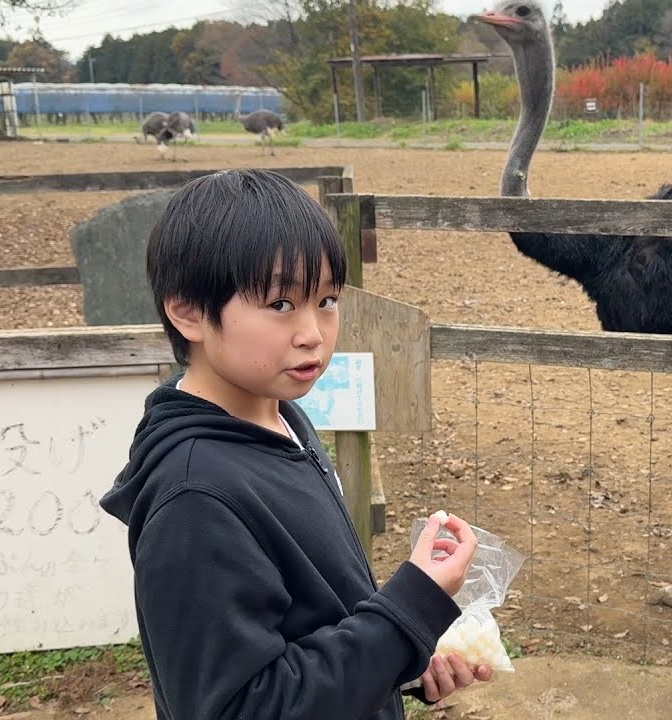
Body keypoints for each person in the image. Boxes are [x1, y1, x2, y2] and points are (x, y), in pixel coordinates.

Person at [100, 168, 492, 719]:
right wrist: (409, 605)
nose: (313, 332)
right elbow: (242, 707)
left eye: (327, 299)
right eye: (281, 304)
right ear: (188, 310)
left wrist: (400, 650)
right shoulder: (196, 499)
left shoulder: (281, 418)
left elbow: (310, 625)